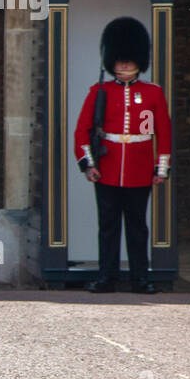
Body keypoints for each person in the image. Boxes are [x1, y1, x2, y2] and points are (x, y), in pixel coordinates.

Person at [73, 16, 171, 294]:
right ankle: (107, 277)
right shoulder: (99, 91)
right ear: (112, 62)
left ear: (139, 60)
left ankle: (140, 278)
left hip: (139, 171)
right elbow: (82, 131)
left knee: (138, 228)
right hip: (108, 168)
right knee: (108, 227)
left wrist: (160, 168)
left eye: (129, 60)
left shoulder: (152, 94)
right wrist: (88, 164)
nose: (125, 65)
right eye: (120, 61)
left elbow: (161, 132)